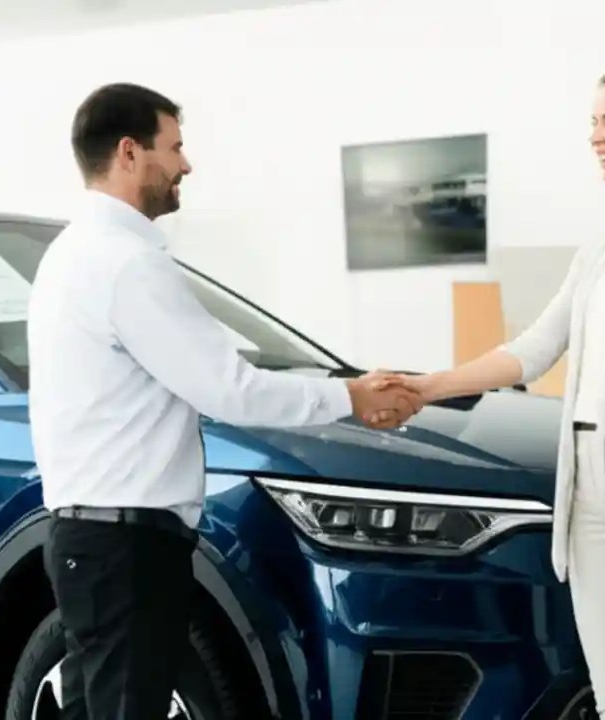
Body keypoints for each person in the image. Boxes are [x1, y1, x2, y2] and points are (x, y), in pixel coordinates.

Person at [25, 82, 423, 719]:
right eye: (175, 147)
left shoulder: (68, 257)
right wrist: (350, 396)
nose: (187, 164)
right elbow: (230, 389)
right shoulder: (127, 266)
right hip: (129, 550)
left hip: (91, 539)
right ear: (129, 152)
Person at [376, 61, 605, 719]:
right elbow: (533, 350)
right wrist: (430, 386)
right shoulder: (603, 246)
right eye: (592, 123)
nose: (595, 137)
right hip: (587, 497)